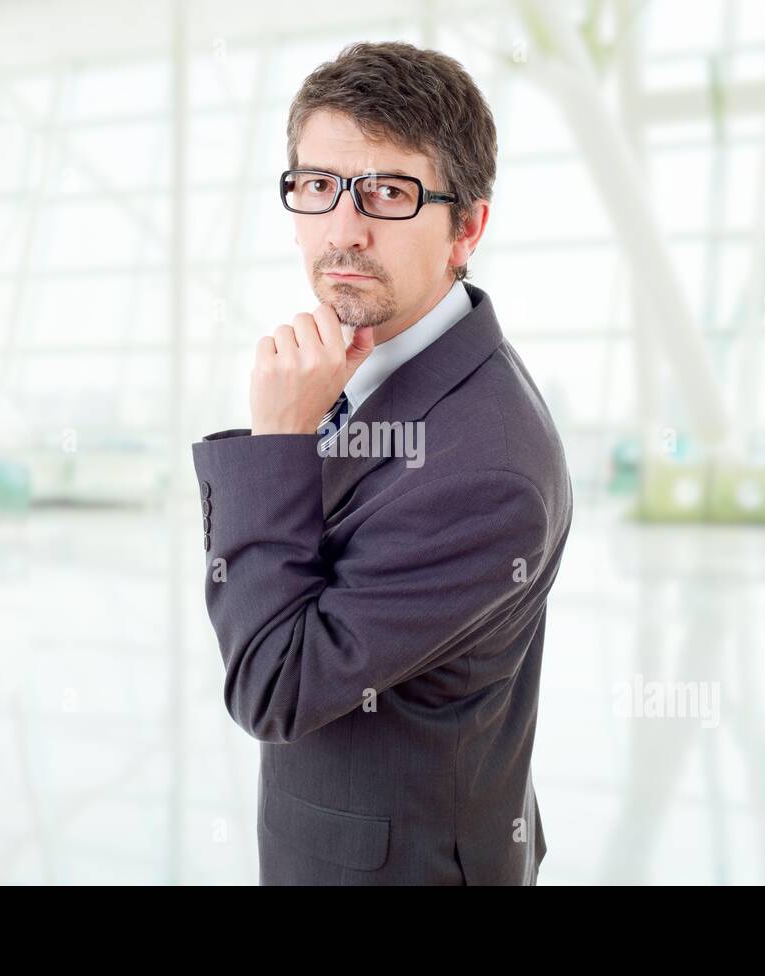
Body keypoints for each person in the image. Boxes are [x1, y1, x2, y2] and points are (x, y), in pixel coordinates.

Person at [191, 40, 573, 884]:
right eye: (318, 187)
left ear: (465, 227)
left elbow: (275, 686)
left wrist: (278, 443)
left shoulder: (485, 474)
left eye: (389, 194)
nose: (343, 230)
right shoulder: (375, 361)